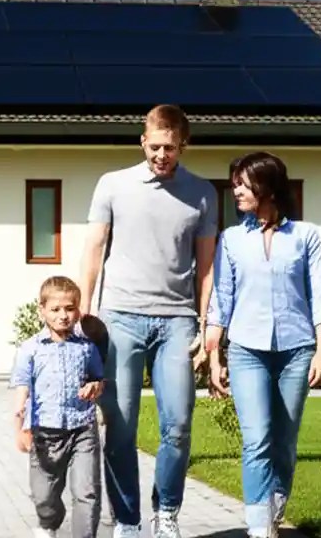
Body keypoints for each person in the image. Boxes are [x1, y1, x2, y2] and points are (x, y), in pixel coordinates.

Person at [78, 104, 219, 538]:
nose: (161, 155)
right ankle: (127, 520)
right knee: (119, 427)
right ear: (143, 141)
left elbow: (208, 267)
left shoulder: (202, 193)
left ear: (183, 145)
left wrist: (205, 321)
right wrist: (85, 314)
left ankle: (167, 512)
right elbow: (95, 250)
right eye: (155, 146)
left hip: (177, 320)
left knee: (177, 423)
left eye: (170, 148)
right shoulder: (113, 185)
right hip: (120, 317)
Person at [205, 151, 321, 538]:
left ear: (268, 187)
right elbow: (220, 300)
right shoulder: (231, 239)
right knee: (256, 438)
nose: (236, 190)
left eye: (243, 183)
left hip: (297, 350)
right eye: (235, 183)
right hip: (246, 350)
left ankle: (274, 507)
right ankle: (259, 527)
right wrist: (214, 357)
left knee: (284, 441)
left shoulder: (306, 236)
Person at [10, 276, 105, 538]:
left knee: (87, 493)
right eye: (55, 309)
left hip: (82, 429)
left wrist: (96, 386)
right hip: (45, 432)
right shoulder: (30, 349)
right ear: (42, 310)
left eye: (69, 308)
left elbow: (99, 379)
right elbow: (22, 391)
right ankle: (49, 523)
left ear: (77, 310)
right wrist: (20, 428)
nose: (63, 315)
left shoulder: (87, 348)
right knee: (44, 497)